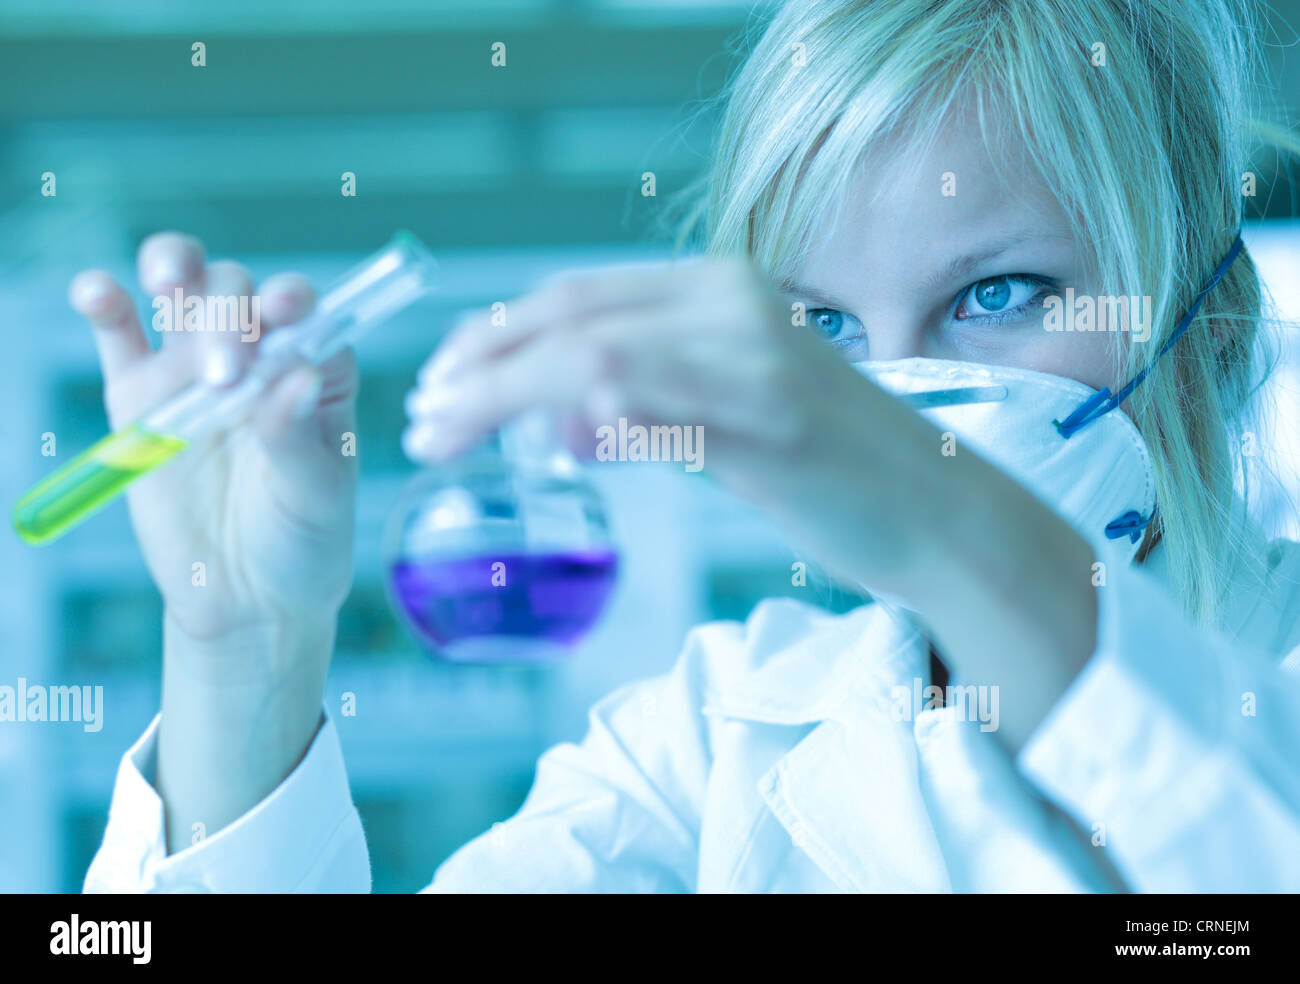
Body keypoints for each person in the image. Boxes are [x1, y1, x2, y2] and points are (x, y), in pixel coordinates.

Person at [82, 0, 1299, 892]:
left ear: (1208, 317)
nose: (874, 397)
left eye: (996, 295)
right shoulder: (709, 738)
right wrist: (243, 647)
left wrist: (955, 528)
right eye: (819, 324)